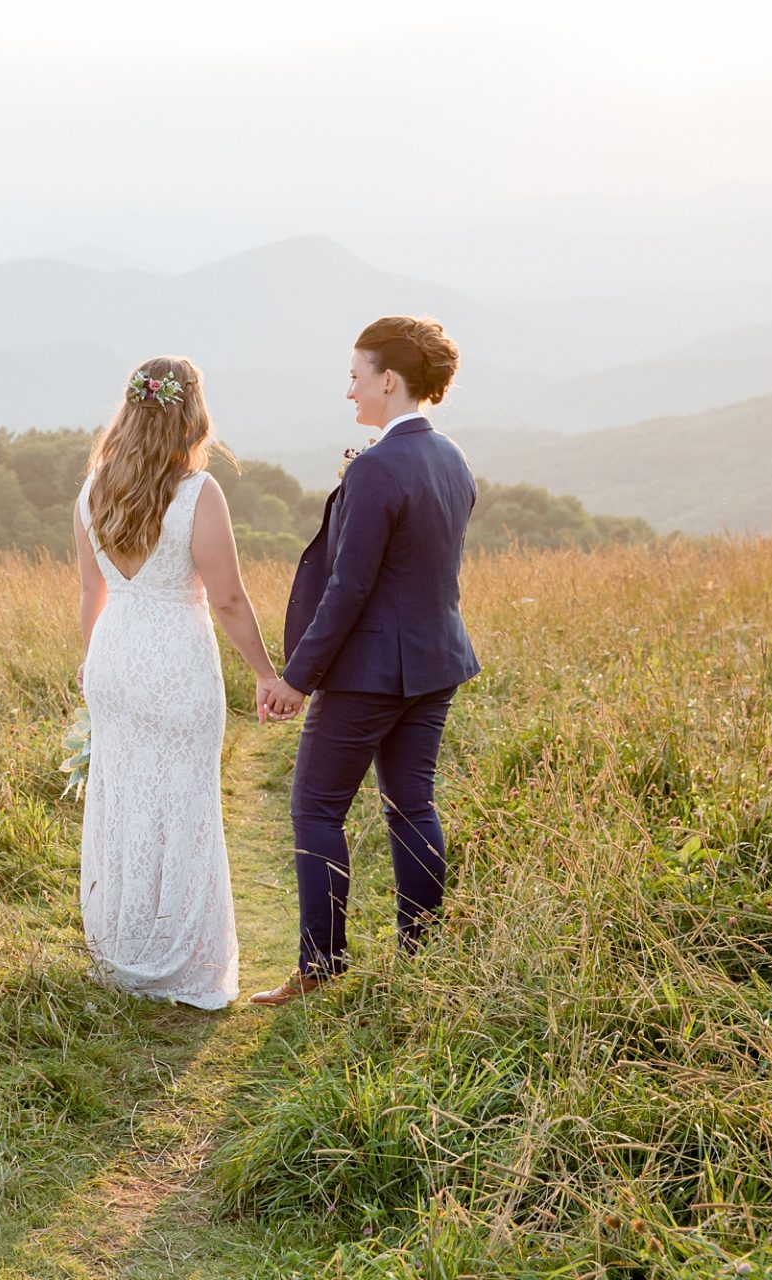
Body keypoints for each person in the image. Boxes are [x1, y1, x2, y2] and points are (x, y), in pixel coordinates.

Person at [251, 316, 481, 1006]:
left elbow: (350, 588)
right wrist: (358, 484)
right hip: (436, 661)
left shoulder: (381, 466)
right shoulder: (451, 457)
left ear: (388, 379)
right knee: (412, 806)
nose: (349, 390)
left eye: (355, 377)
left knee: (316, 808)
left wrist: (297, 679)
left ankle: (321, 967)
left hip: (370, 673)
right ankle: (423, 955)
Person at [73, 355, 300, 1010]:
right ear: (191, 412)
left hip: (114, 659)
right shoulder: (198, 492)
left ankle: (124, 952)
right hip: (175, 661)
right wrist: (264, 672)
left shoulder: (92, 491)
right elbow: (227, 598)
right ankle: (179, 968)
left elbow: (93, 593)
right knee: (182, 806)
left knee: (124, 806)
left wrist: (97, 666)